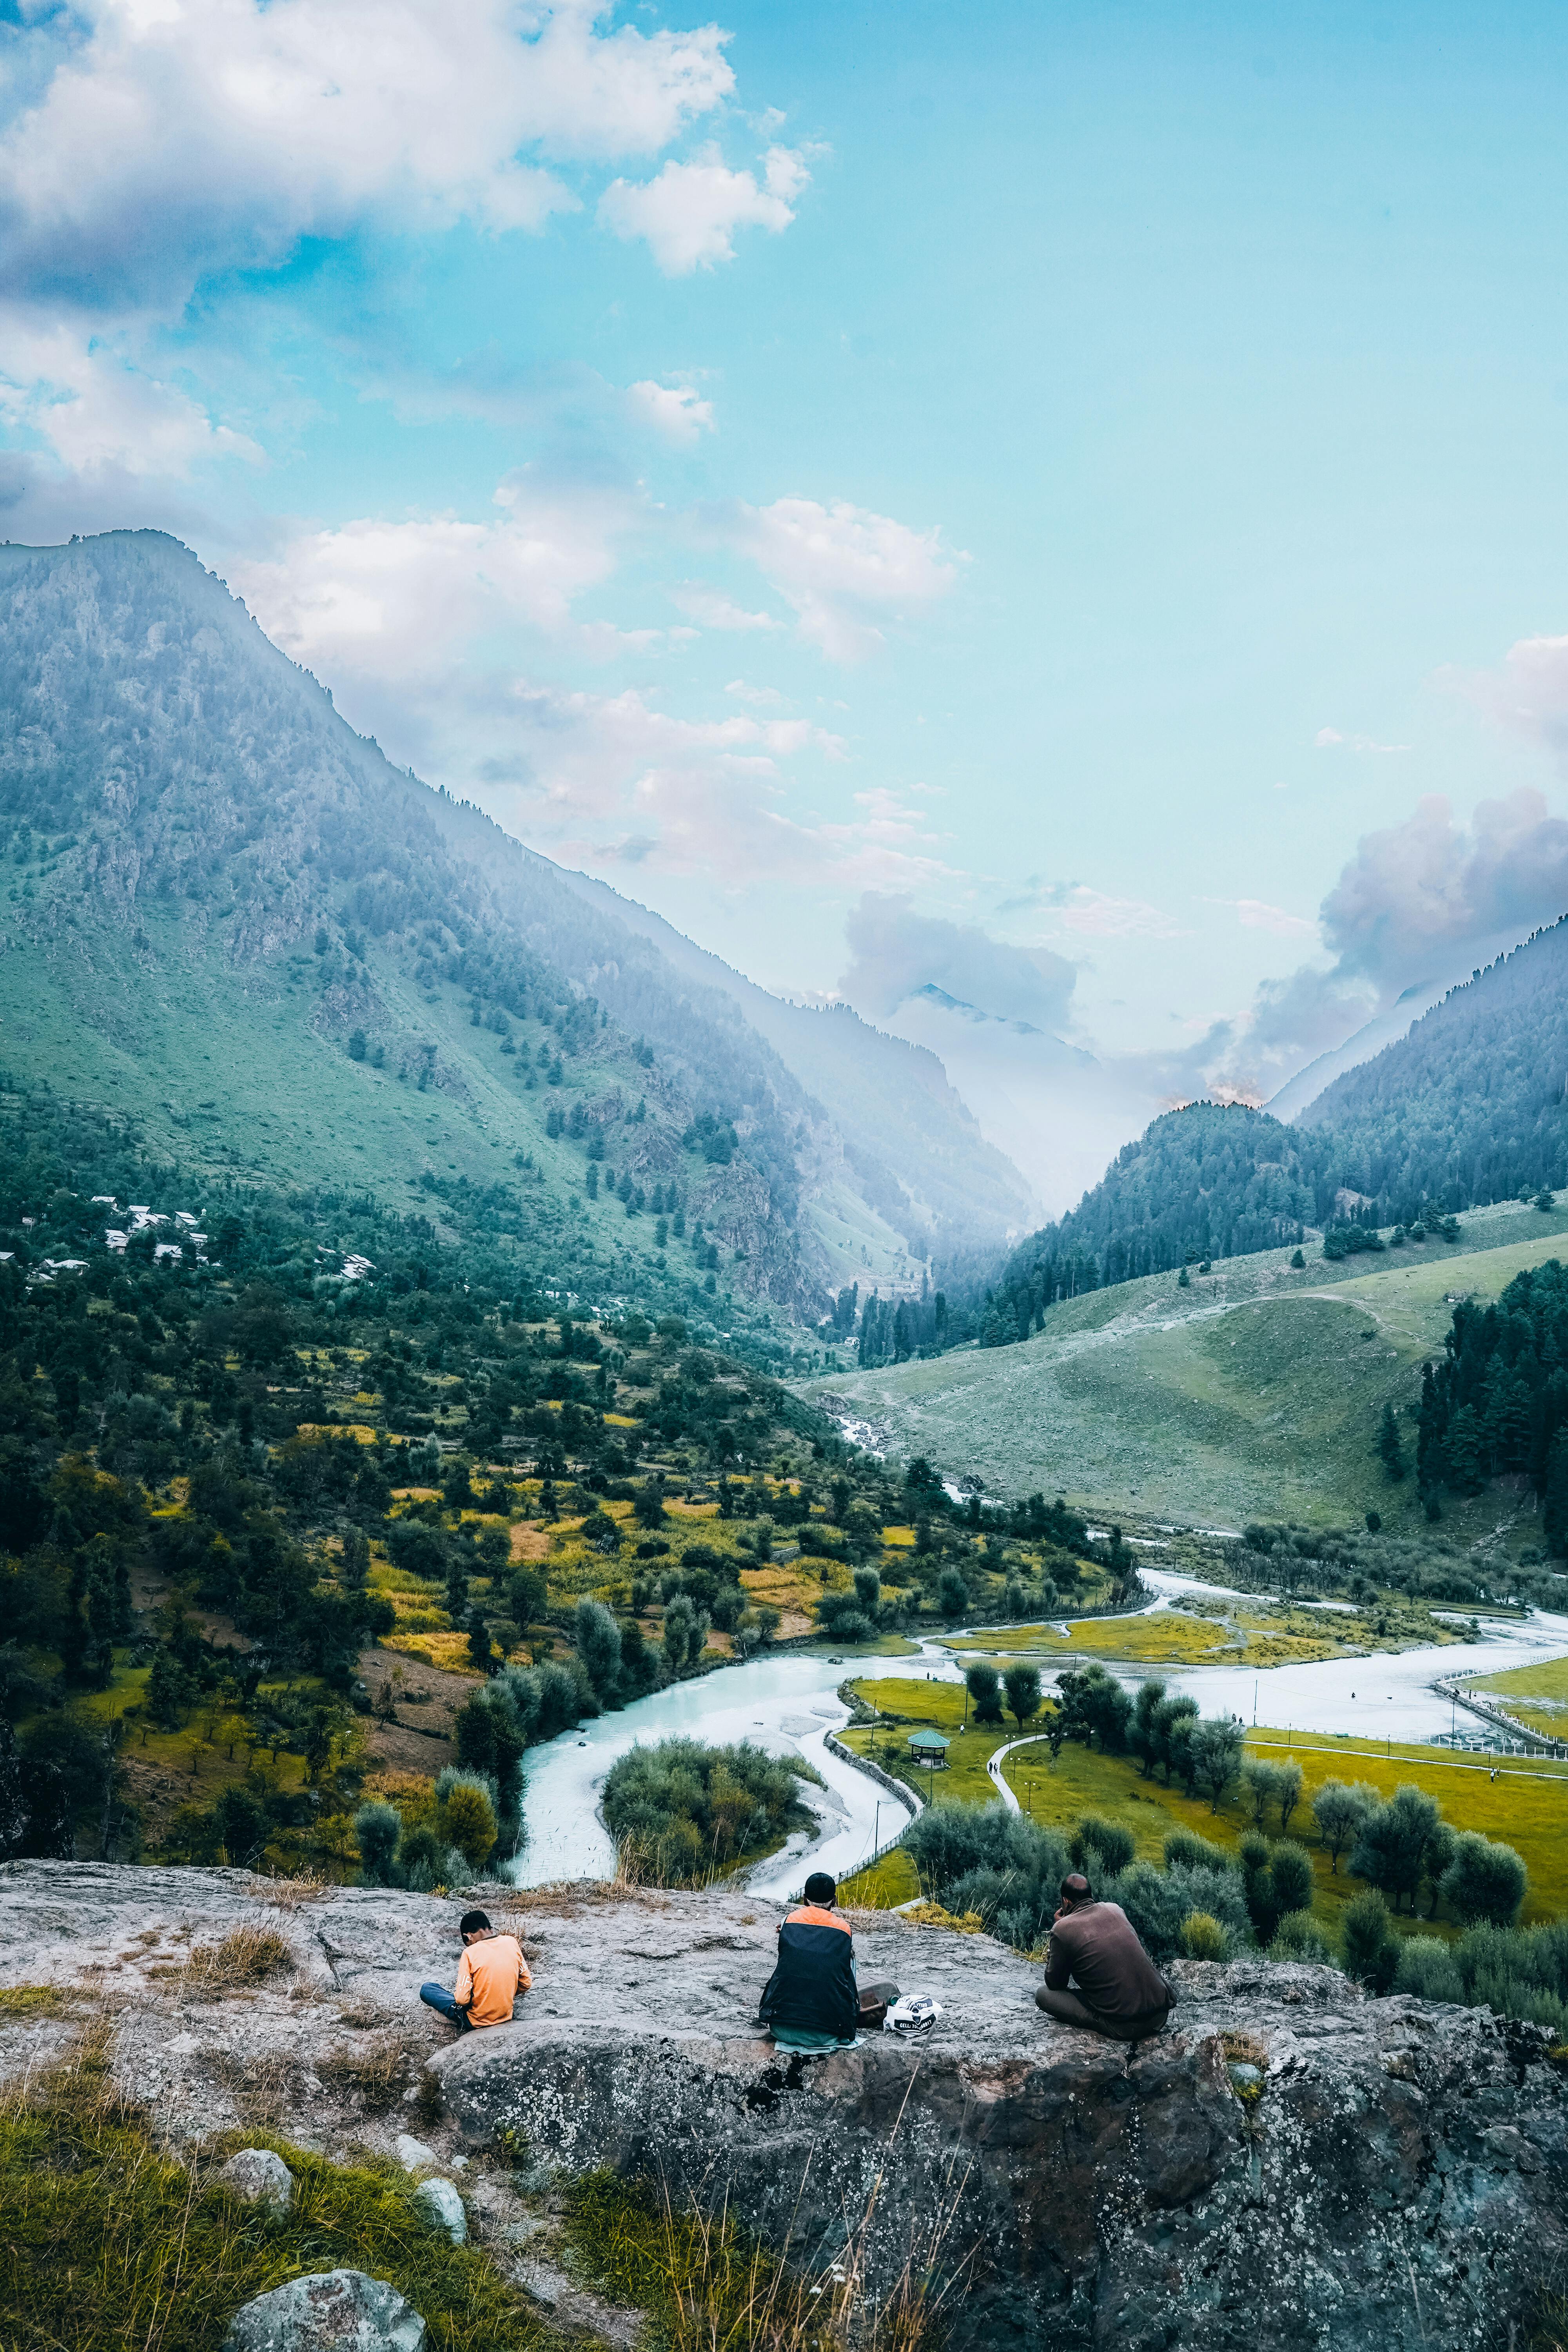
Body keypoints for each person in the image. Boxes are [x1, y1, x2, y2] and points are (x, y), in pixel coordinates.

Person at [757, 1872, 899, 2051]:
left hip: (781, 2029)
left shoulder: (788, 1921)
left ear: (804, 1899)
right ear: (834, 1901)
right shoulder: (844, 1929)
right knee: (849, 1956)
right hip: (829, 2034)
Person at [1034, 1872, 1175, 2043]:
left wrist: (1058, 1927)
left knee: (1043, 1995)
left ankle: (1102, 2019)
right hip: (1160, 2016)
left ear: (1066, 1902)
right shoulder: (1115, 1909)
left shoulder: (1062, 1929)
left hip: (1126, 2027)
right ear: (1090, 1896)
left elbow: (1055, 1984)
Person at [420, 1909, 531, 2033]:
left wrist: (480, 1997)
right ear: (490, 1928)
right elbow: (526, 1983)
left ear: (468, 1936)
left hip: (476, 2020)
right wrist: (502, 1992)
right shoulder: (511, 1942)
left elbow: (462, 2000)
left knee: (428, 1989)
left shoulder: (469, 1953)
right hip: (506, 2015)